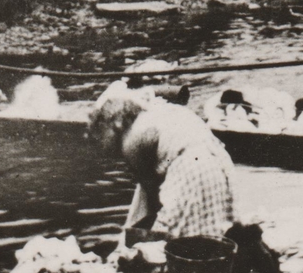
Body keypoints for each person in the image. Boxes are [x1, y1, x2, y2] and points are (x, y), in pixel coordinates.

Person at [88, 81, 237, 240]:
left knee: (174, 237)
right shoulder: (157, 111)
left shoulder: (131, 139)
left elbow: (150, 190)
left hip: (193, 169)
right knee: (210, 230)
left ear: (112, 123)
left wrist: (142, 233)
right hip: (218, 159)